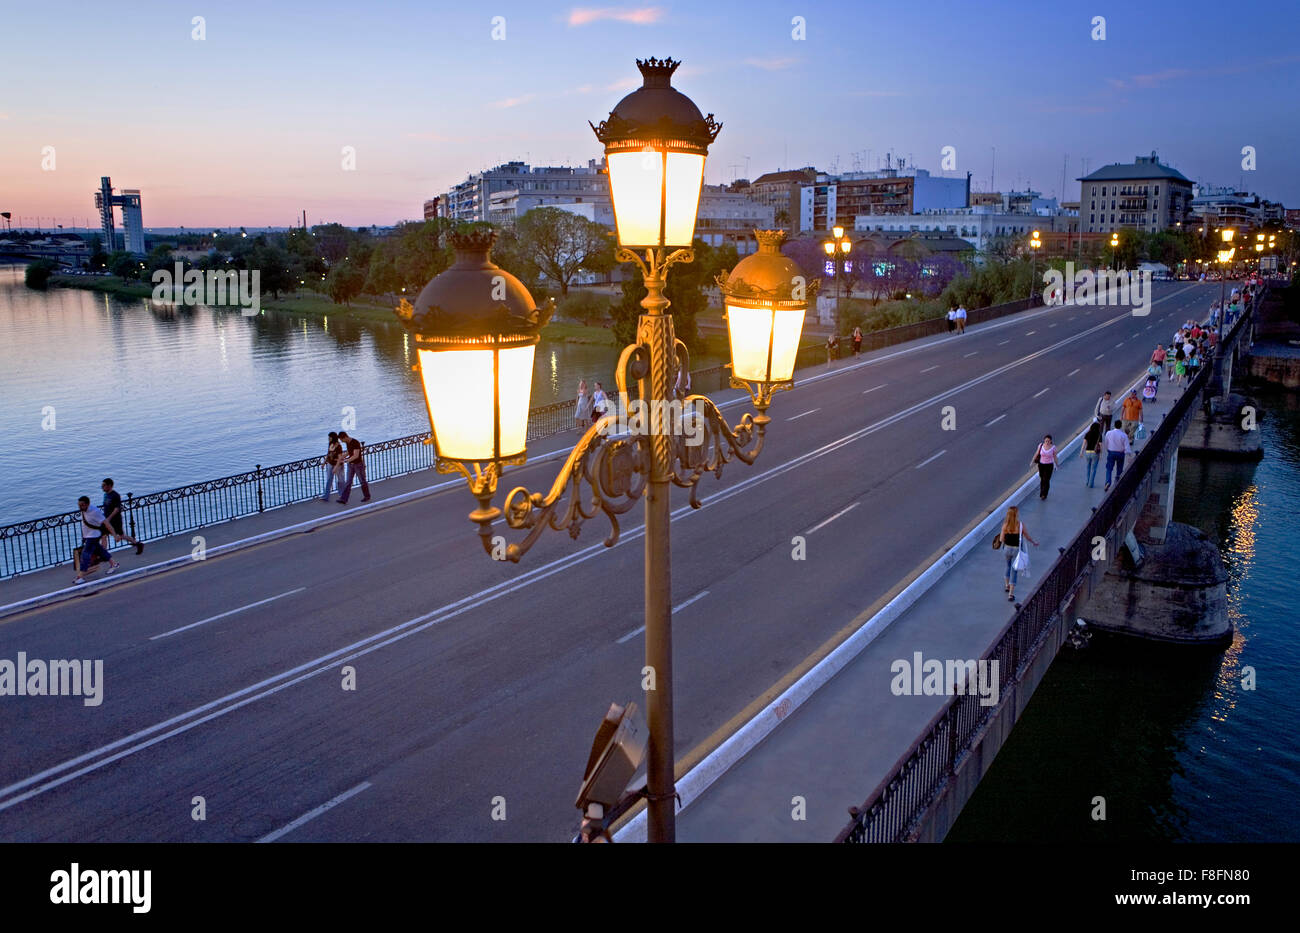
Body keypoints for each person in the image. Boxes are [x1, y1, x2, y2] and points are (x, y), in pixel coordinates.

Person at [995, 505, 1038, 602]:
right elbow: (1027, 536)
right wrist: (1033, 542)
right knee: (1014, 570)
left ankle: (1006, 586)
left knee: (1008, 566)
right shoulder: (1020, 525)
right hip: (1016, 550)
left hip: (1006, 549)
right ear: (1016, 514)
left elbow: (1001, 539)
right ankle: (1011, 594)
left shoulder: (1005, 525)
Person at [74, 495, 119, 583]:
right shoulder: (84, 511)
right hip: (88, 536)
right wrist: (84, 536)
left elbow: (106, 523)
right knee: (100, 550)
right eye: (79, 505)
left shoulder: (95, 511)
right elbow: (85, 524)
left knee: (85, 554)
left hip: (93, 536)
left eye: (82, 505)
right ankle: (114, 564)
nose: (80, 507)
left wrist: (114, 535)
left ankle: (80, 576)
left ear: (88, 504)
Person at [100, 478, 143, 555]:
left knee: (121, 535)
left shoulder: (115, 495)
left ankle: (137, 544)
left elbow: (117, 509)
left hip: (115, 520)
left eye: (104, 485)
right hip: (106, 519)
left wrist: (109, 518)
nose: (102, 487)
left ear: (109, 486)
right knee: (103, 535)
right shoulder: (105, 495)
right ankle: (104, 554)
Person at [335, 431, 370, 504]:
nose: (342, 441)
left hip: (358, 465)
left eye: (341, 440)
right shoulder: (348, 443)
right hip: (350, 465)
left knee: (362, 481)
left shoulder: (355, 442)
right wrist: (341, 457)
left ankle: (367, 496)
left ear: (344, 437)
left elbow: (356, 455)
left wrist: (346, 460)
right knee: (348, 482)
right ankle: (343, 499)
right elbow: (349, 452)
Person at [1103, 421, 1131, 491]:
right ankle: (1117, 484)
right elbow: (1127, 447)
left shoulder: (1109, 433)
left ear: (1114, 425)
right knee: (1119, 469)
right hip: (1120, 453)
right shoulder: (1123, 435)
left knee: (1109, 468)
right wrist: (1128, 455)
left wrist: (1108, 449)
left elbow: (1106, 442)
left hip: (1111, 452)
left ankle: (1108, 482)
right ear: (1121, 426)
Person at [1032, 434, 1059, 499]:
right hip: (1041, 465)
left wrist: (1057, 464)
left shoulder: (1053, 447)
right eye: (1046, 441)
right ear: (1044, 440)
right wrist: (1032, 461)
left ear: (1051, 441)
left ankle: (1044, 494)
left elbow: (1055, 457)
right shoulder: (1041, 445)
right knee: (1042, 479)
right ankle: (1041, 493)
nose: (1047, 442)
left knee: (1046, 480)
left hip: (1049, 465)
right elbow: (1037, 453)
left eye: (1048, 441)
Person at [321, 431, 344, 501]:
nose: (328, 438)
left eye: (329, 437)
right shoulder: (330, 444)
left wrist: (336, 467)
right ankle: (326, 496)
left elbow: (340, 457)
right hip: (330, 464)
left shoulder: (338, 446)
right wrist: (324, 463)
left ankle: (342, 495)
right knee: (329, 480)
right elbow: (328, 454)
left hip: (338, 465)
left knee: (340, 480)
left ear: (332, 438)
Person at [1083, 418, 1103, 488]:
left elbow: (1084, 444)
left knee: (1088, 467)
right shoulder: (1099, 435)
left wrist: (1081, 452)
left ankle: (1087, 481)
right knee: (1093, 469)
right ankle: (1091, 484)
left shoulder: (1087, 434)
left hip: (1087, 452)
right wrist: (1101, 454)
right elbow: (1100, 445)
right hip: (1095, 453)